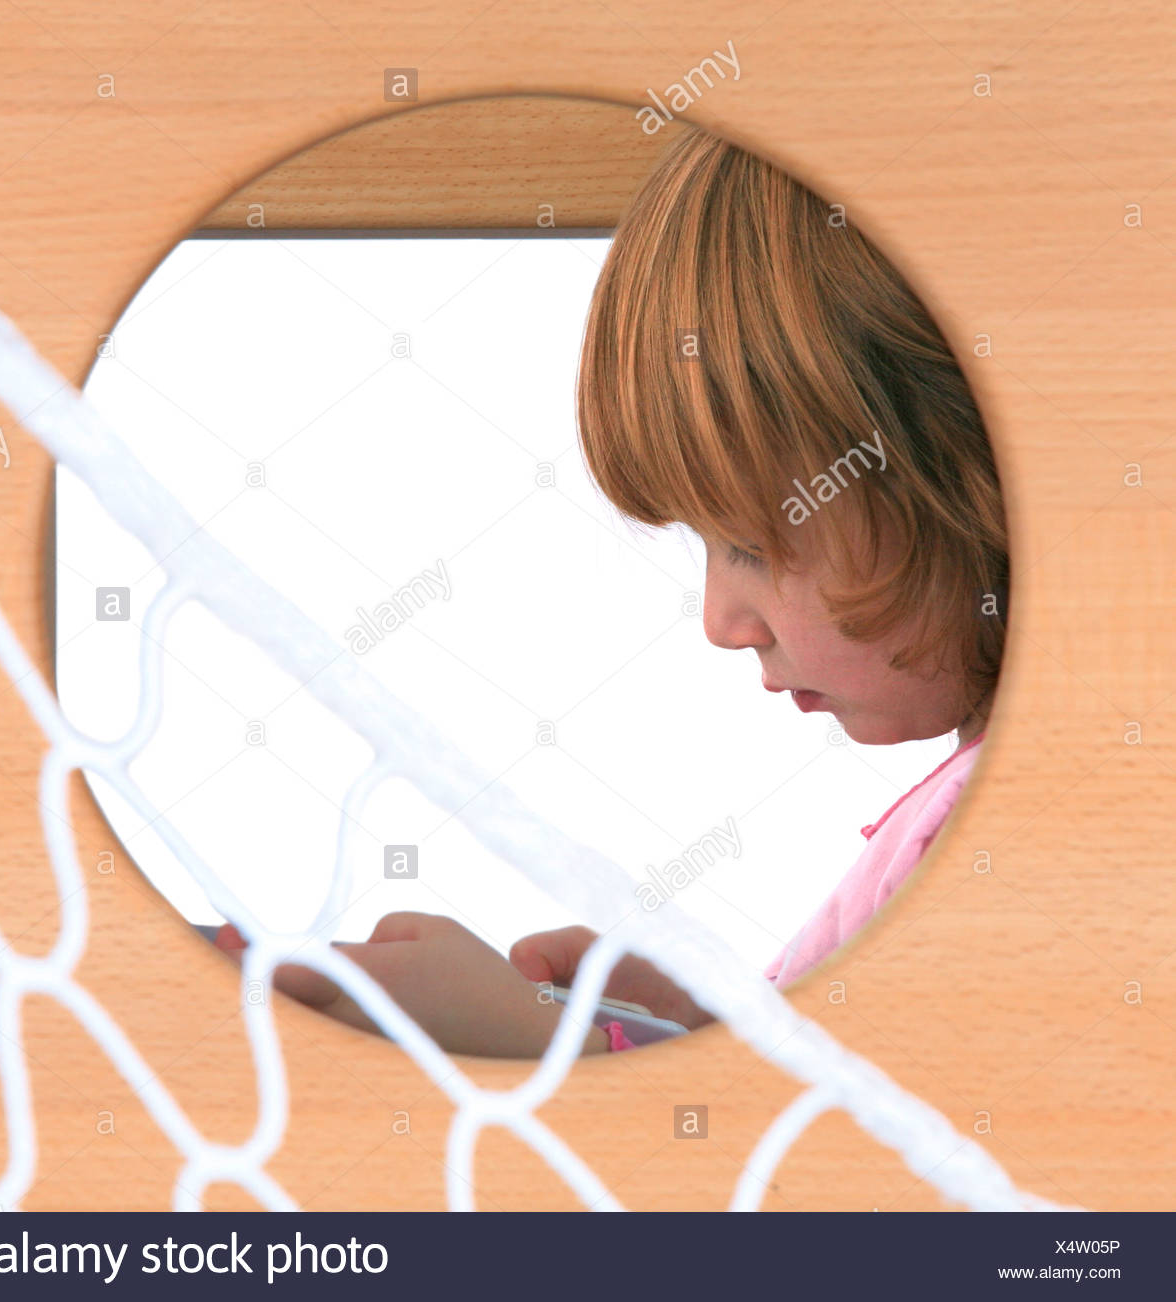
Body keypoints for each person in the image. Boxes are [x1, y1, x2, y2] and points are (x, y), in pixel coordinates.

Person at [214, 125, 1008, 1057]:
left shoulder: (1004, 829)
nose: (721, 622)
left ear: (961, 466)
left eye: (752, 539)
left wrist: (571, 1054)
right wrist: (708, 1020)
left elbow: (848, 1168)